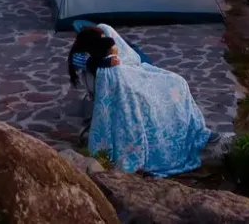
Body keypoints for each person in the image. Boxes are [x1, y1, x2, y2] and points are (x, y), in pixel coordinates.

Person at [66, 23, 217, 176]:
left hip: (131, 76)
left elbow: (121, 61)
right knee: (164, 91)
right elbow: (93, 62)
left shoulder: (103, 57)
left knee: (178, 83)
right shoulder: (84, 58)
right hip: (129, 86)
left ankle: (195, 130)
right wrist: (106, 60)